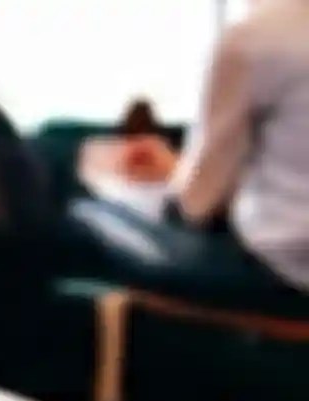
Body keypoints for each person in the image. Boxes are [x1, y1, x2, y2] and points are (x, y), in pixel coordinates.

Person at [80, 0, 309, 296]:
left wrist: (113, 179)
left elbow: (198, 205)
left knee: (87, 211)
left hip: (282, 276)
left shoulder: (261, 37)